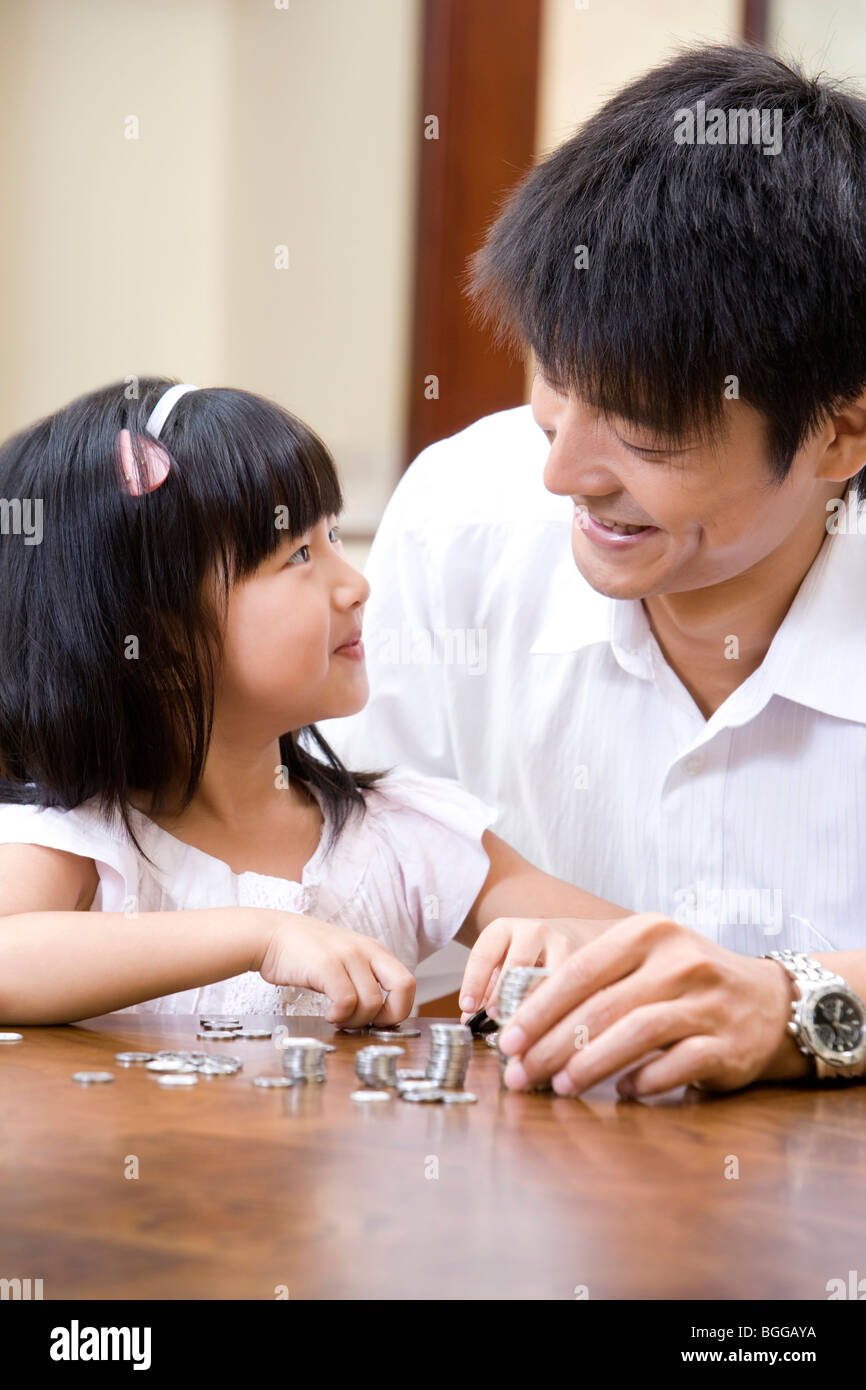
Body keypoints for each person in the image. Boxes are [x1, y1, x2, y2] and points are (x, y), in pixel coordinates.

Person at [322, 43, 866, 1098]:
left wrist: (793, 1005)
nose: (564, 471)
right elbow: (355, 838)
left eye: (642, 431)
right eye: (556, 387)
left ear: (839, 433)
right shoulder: (466, 512)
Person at [0, 377, 628, 1028]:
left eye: (333, 536)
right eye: (299, 553)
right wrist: (260, 937)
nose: (356, 585)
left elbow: (655, 956)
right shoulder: (78, 842)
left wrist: (560, 940)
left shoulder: (393, 838)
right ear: (158, 642)